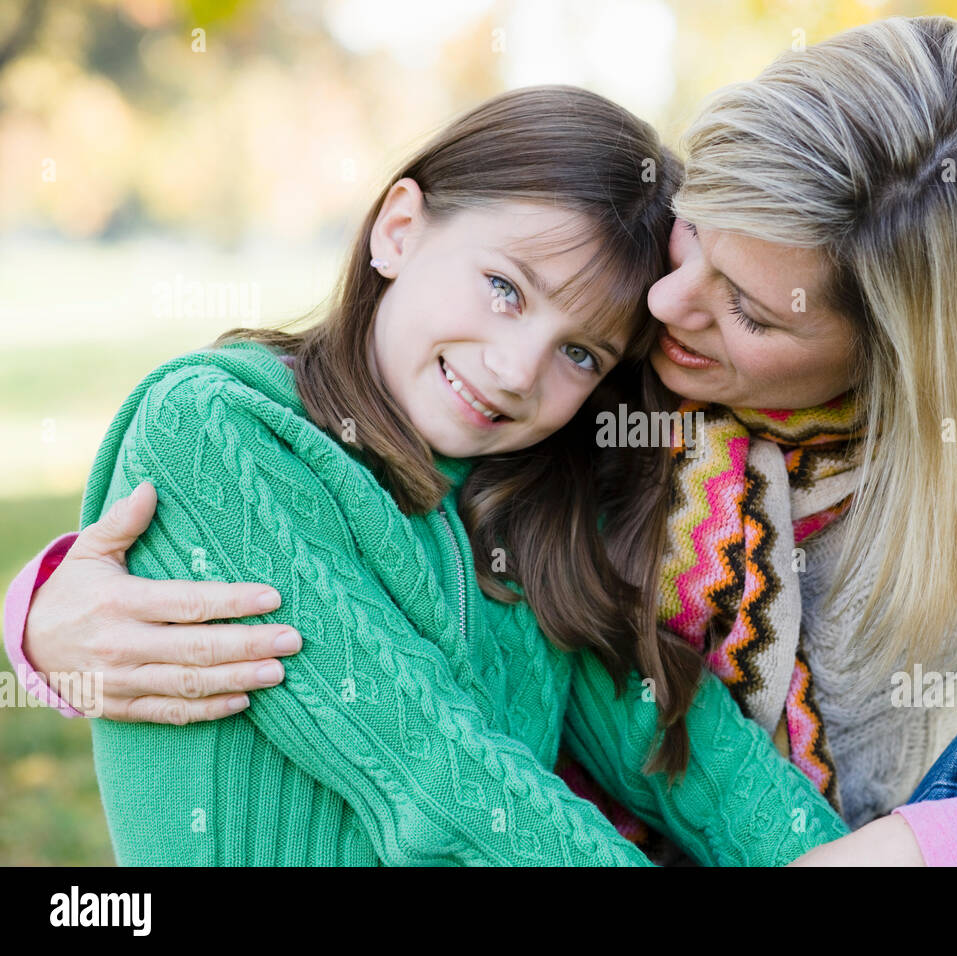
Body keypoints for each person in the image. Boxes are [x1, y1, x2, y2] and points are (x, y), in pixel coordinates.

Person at [10, 18, 957, 865]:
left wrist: (887, 860)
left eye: (749, 309)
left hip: (798, 849)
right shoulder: (547, 389)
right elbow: (401, 697)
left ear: (893, 356)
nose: (665, 310)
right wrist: (42, 617)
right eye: (695, 243)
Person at [1, 85, 849, 866]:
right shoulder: (217, 429)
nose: (517, 370)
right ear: (399, 229)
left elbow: (686, 751)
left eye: (580, 353)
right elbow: (434, 776)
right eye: (505, 289)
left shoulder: (523, 509)